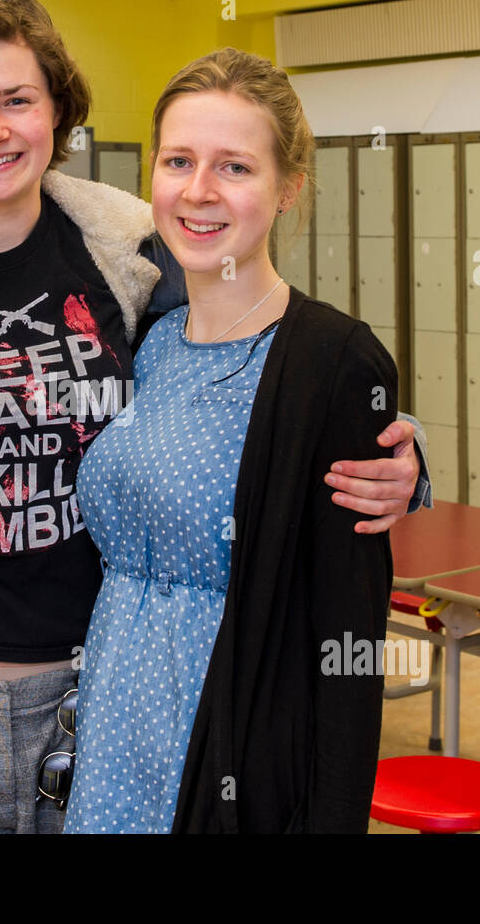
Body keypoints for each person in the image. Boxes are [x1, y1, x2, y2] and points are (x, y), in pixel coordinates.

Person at [0, 0, 429, 835]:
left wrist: (402, 454)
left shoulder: (136, 257)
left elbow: (271, 366)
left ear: (56, 112)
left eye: (17, 100)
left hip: (98, 705)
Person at [63, 47, 397, 833]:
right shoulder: (149, 337)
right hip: (114, 734)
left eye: (235, 167)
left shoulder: (330, 361)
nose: (199, 190)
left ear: (287, 189)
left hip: (231, 753)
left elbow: (350, 634)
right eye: (179, 160)